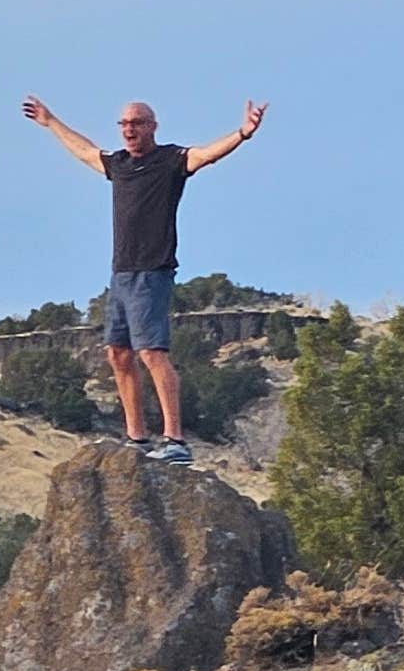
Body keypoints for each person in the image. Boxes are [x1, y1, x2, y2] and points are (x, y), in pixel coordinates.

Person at [20, 92, 267, 463]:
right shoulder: (119, 165)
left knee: (151, 352)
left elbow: (206, 154)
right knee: (118, 354)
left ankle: (175, 440)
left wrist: (243, 133)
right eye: (124, 124)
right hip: (121, 273)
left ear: (152, 127)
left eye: (136, 123)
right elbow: (87, 152)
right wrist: (51, 122)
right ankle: (136, 438)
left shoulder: (170, 161)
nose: (129, 129)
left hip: (152, 272)